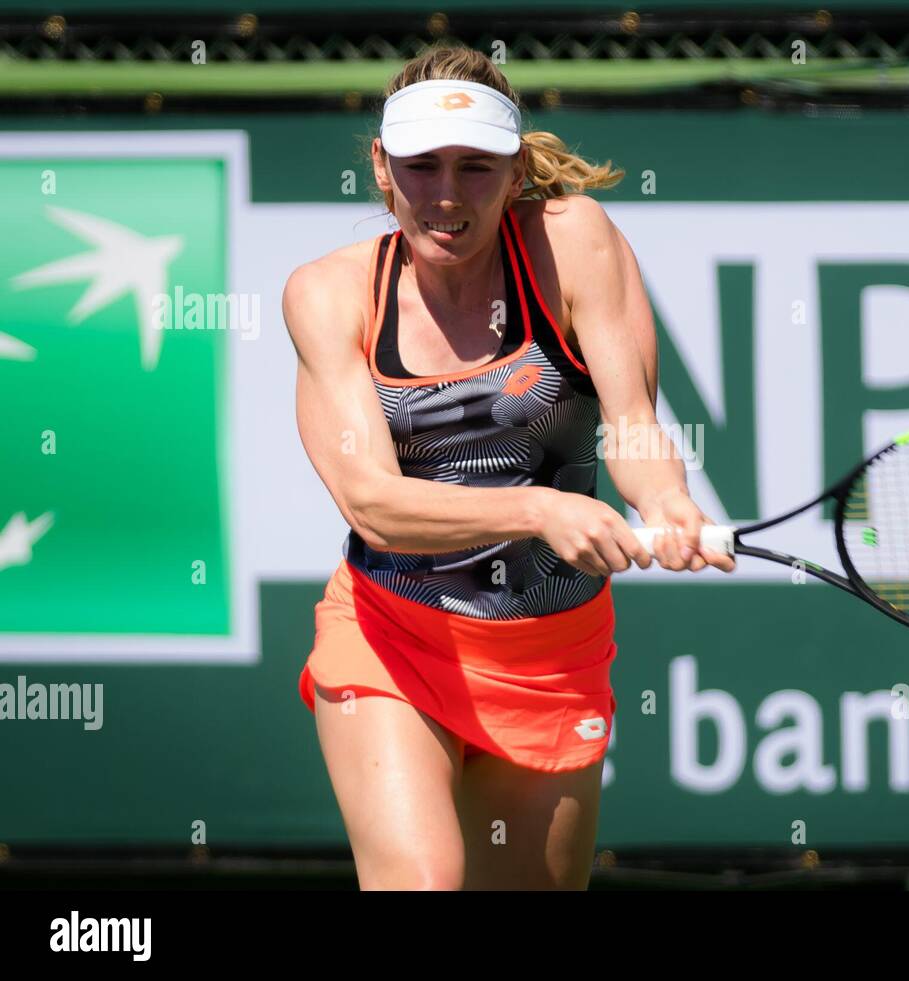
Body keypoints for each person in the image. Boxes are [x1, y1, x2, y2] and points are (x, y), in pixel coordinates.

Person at [282, 42, 734, 890]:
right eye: (420, 166)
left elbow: (631, 420)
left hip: (553, 652)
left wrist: (669, 499)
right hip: (394, 634)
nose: (446, 194)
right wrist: (540, 512)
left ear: (516, 167)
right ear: (381, 167)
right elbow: (374, 504)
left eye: (475, 166)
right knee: (425, 881)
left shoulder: (574, 242)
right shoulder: (328, 293)